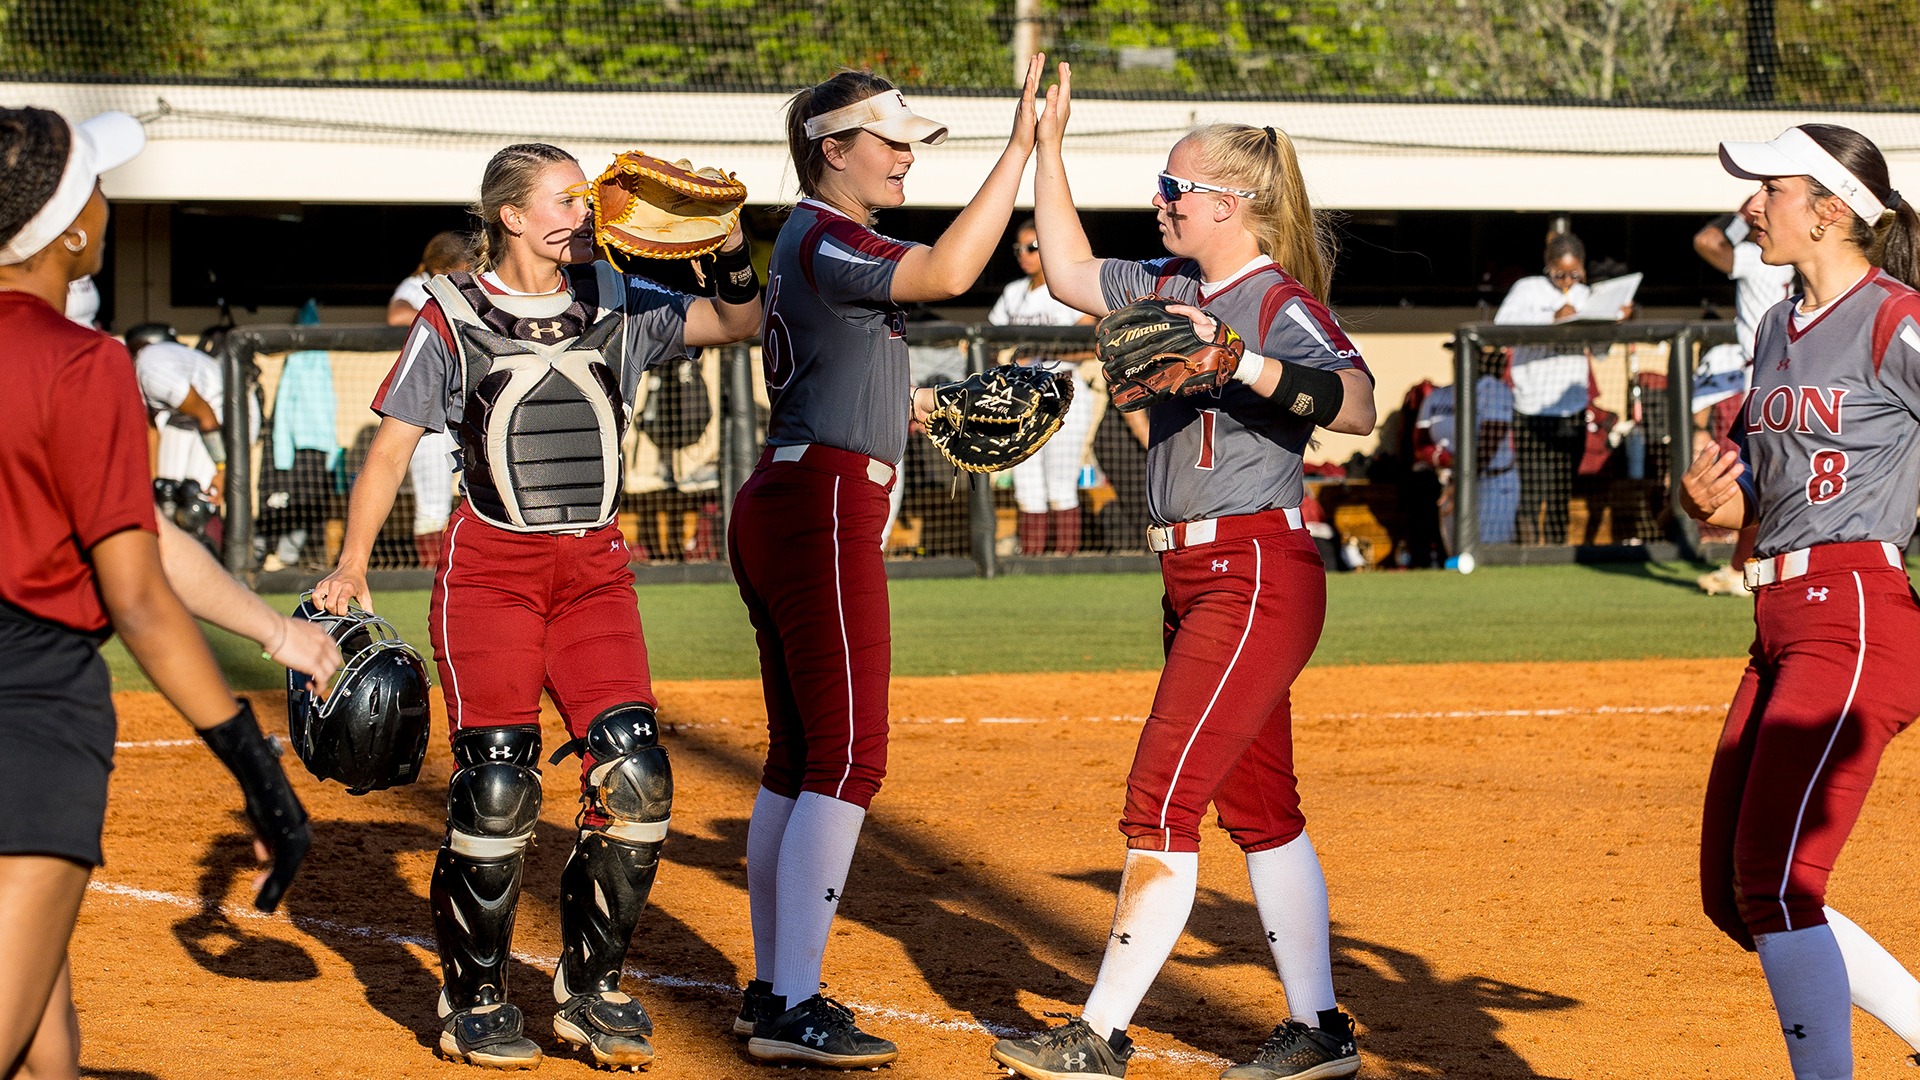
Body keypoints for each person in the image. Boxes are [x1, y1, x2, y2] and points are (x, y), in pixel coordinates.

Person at [313, 142, 762, 1070]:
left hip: (595, 575)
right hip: (491, 578)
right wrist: (352, 563)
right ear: (510, 217)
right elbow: (391, 450)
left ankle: (589, 992)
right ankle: (472, 999)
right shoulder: (451, 316)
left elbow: (741, 318)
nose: (582, 212)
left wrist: (725, 244)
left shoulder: (619, 302)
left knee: (638, 781)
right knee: (497, 787)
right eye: (563, 200)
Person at [988, 64, 1376, 1080]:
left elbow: (1356, 405)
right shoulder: (1163, 286)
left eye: (1173, 189)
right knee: (1261, 811)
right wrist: (1046, 145)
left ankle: (1098, 1038)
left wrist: (1238, 361)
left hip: (1256, 565)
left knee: (1161, 799)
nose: (1158, 202)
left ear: (1227, 204)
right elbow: (1072, 273)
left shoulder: (1271, 299)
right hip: (1194, 576)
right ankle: (1321, 1032)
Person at [726, 61, 1044, 1069]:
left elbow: (843, 355)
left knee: (801, 758)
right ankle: (792, 1000)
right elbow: (950, 274)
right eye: (890, 141)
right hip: (820, 503)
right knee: (853, 757)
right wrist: (1023, 150)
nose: (908, 156)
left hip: (793, 491)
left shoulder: (809, 239)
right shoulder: (830, 234)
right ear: (833, 149)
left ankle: (775, 993)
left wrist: (904, 408)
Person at [0, 106, 307, 1080]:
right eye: (93, 183)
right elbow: (135, 595)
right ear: (66, 229)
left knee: (49, 1046)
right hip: (33, 710)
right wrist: (258, 772)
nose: (106, 200)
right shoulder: (83, 362)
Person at [1680, 122, 1920, 1080]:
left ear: (1830, 211)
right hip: (1779, 616)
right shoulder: (1779, 324)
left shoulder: (1894, 317)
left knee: (1777, 882)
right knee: (1734, 893)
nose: (1750, 205)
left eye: (1769, 189)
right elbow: (1763, 492)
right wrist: (1716, 501)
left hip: (1857, 611)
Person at [1691, 211, 1796, 596]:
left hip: (1763, 373)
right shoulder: (1798, 261)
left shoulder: (1758, 257)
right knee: (1773, 474)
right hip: (1795, 370)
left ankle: (1744, 570)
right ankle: (1746, 567)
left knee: (1756, 476)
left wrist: (1739, 215)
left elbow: (1706, 242)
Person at [1495, 231, 1621, 545]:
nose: (1567, 281)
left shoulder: (1586, 295)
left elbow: (1601, 351)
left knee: (1560, 491)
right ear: (1547, 264)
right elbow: (1500, 326)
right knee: (1531, 491)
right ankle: (1526, 555)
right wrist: (1551, 318)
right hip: (1531, 407)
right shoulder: (1527, 289)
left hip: (1572, 408)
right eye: (1559, 273)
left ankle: (1556, 554)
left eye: (1575, 274)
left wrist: (1613, 323)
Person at [989, 217, 1097, 555]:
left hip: (1061, 390)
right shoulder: (1013, 292)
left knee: (1060, 483)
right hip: (1021, 395)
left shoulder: (1068, 288)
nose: (1025, 254)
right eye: (1019, 248)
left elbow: (1091, 343)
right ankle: (1032, 564)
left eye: (1032, 247)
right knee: (1027, 484)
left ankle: (1066, 563)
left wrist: (1041, 349)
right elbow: (990, 339)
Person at [387, 231, 475, 566]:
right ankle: (429, 574)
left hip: (455, 403)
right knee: (433, 501)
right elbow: (396, 316)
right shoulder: (417, 285)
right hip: (421, 405)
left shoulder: (462, 288)